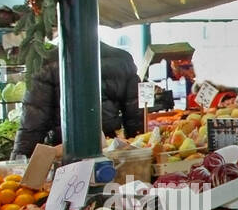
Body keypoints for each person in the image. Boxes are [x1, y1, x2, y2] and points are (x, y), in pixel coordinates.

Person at [14, 42, 144, 157]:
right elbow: (135, 114)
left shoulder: (48, 62)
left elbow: (34, 118)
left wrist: (21, 158)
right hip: (110, 149)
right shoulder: (121, 59)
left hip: (64, 150)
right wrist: (139, 145)